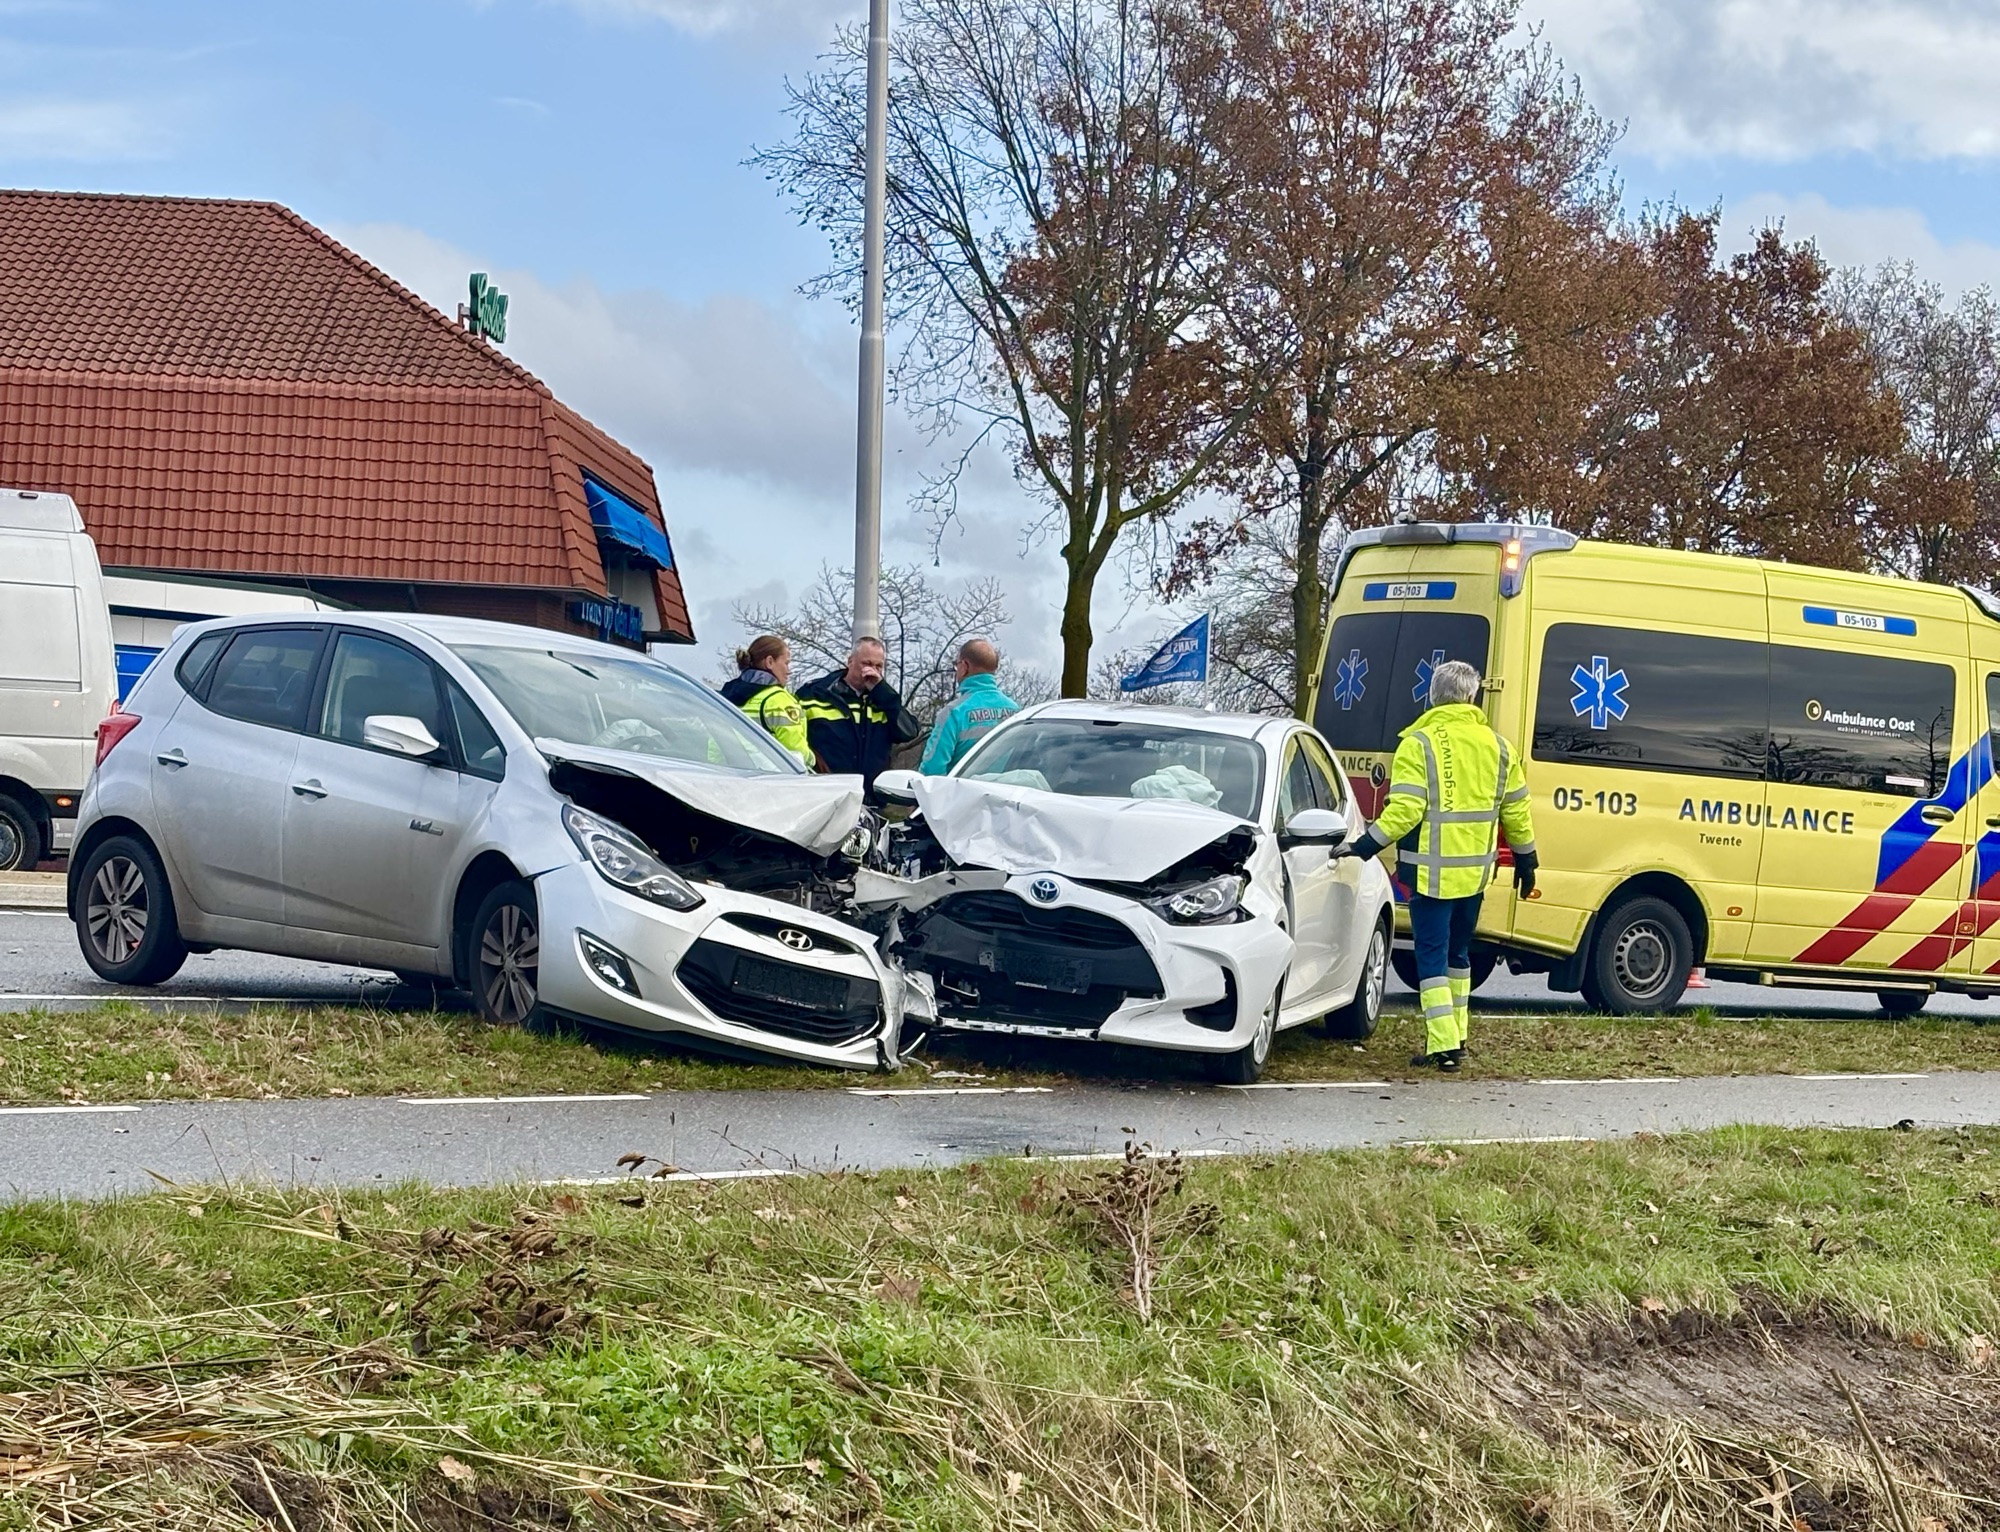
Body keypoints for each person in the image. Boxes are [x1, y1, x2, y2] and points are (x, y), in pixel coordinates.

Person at [1333, 659, 1535, 1073]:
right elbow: (1516, 810)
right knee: (1459, 954)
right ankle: (1456, 1035)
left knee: (1430, 956)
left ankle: (1443, 1046)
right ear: (1471, 696)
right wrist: (1528, 857)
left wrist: (1365, 845)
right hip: (1476, 875)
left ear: (1433, 695)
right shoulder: (1499, 747)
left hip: (1431, 875)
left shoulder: (1418, 744)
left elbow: (1405, 810)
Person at [797, 635, 920, 793]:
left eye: (878, 666)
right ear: (850, 661)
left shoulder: (883, 701)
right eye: (866, 664)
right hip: (825, 794)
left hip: (871, 798)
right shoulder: (815, 694)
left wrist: (883, 692)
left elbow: (909, 732)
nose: (872, 671)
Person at [920, 638, 1020, 774]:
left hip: (963, 794)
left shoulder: (954, 713)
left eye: (957, 664)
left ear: (965, 666)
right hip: (1007, 793)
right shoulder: (1016, 712)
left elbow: (932, 769)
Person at [720, 635, 813, 768]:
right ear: (769, 662)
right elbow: (796, 752)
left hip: (727, 774)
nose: (789, 671)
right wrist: (813, 759)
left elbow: (715, 746)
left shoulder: (724, 696)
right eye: (786, 663)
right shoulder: (779, 700)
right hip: (771, 780)